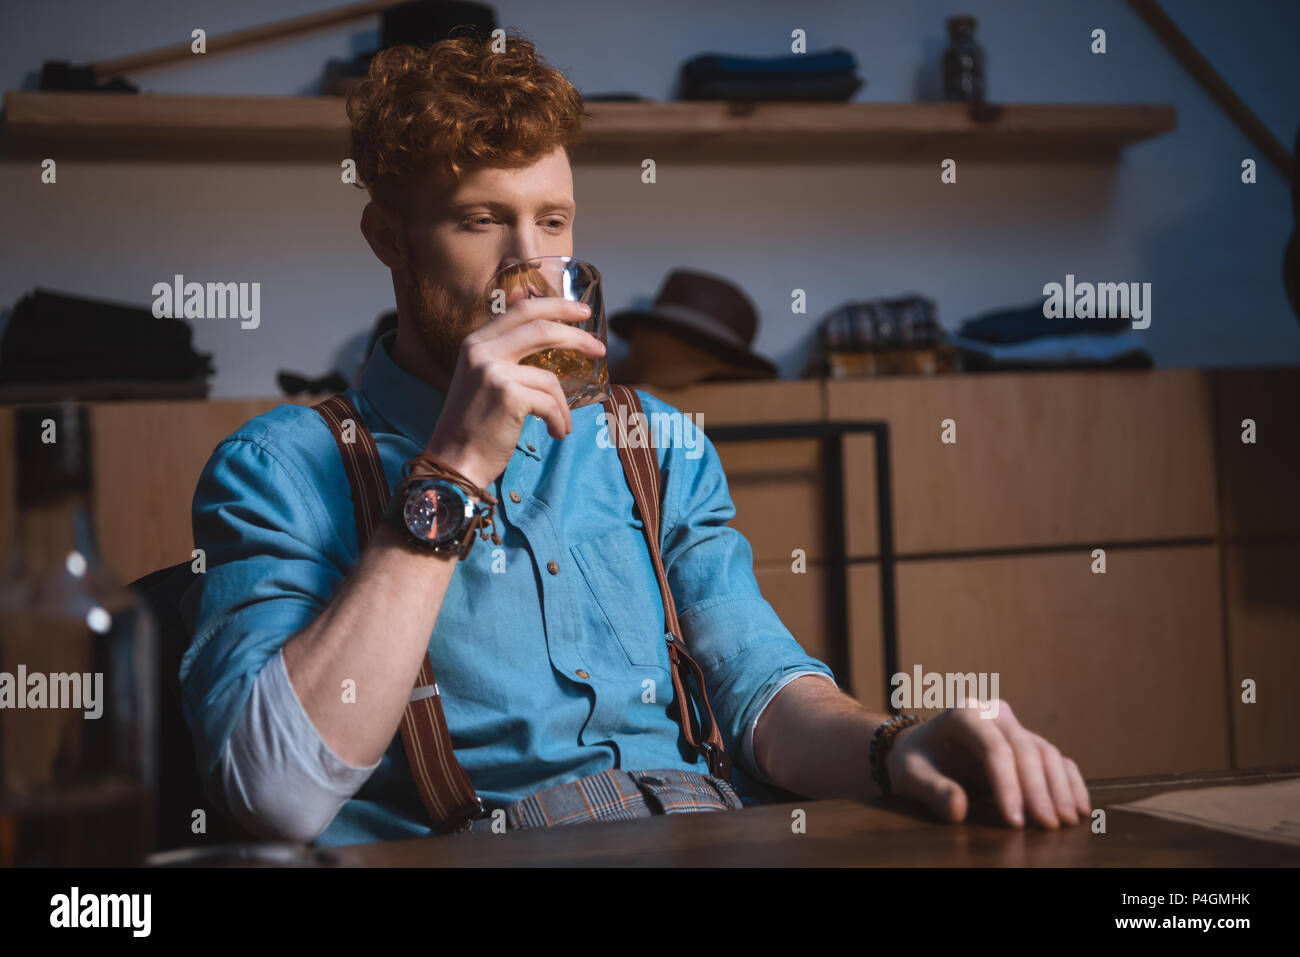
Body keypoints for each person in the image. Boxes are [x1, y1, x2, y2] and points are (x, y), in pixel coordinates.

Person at [180, 32, 1090, 846]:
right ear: (389, 236)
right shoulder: (278, 468)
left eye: (553, 222)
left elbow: (763, 694)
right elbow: (272, 795)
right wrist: (452, 466)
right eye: (481, 220)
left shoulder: (656, 440)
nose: (527, 269)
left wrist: (894, 745)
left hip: (707, 834)